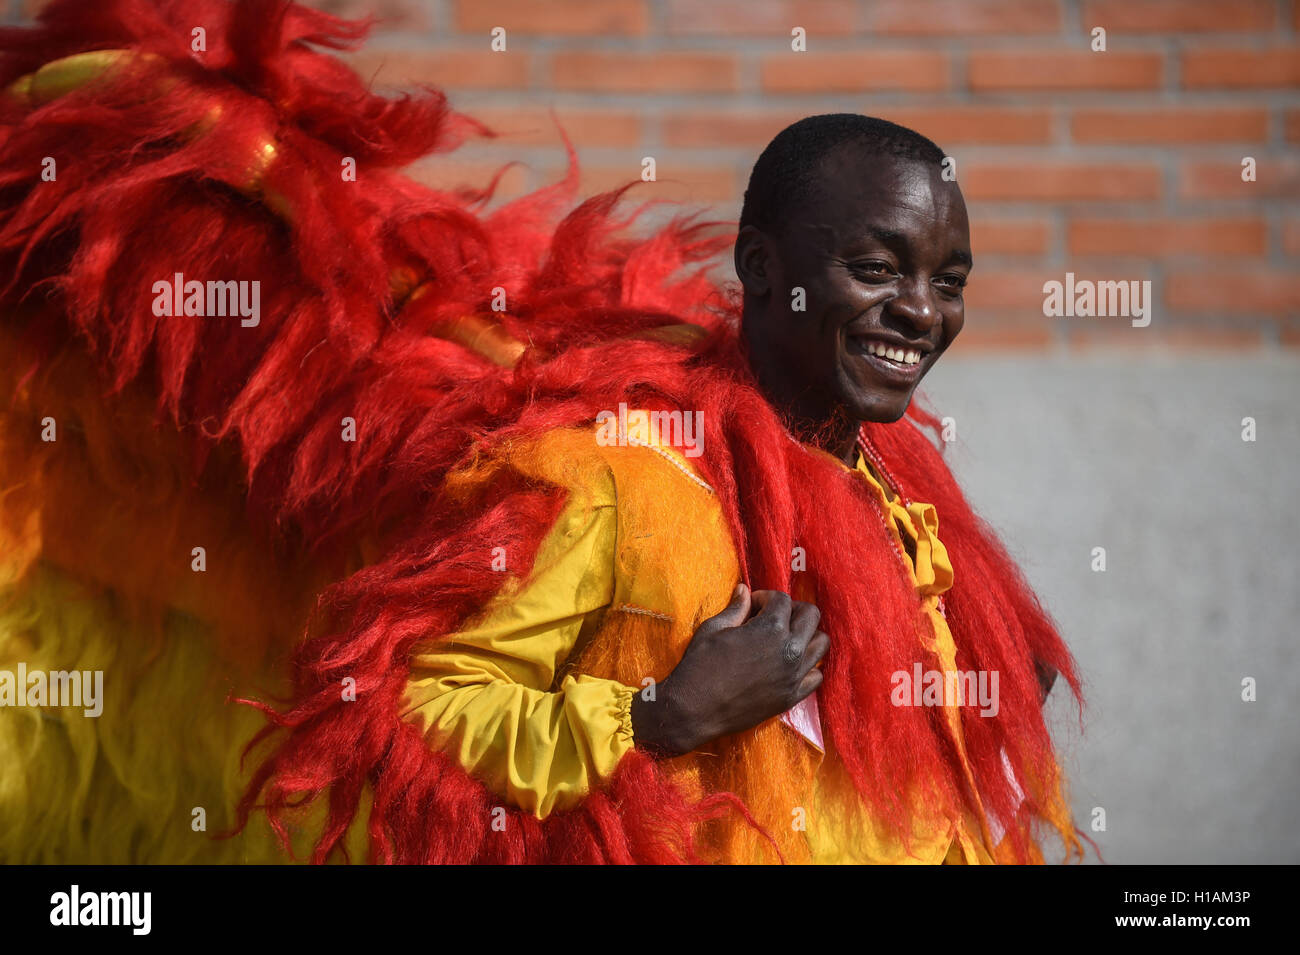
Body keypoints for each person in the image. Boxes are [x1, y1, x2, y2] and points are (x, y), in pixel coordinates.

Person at [0, 0, 1081, 865]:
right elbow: (412, 710)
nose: (920, 314)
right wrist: (657, 717)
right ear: (761, 270)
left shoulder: (903, 485)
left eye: (947, 282)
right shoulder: (615, 478)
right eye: (878, 269)